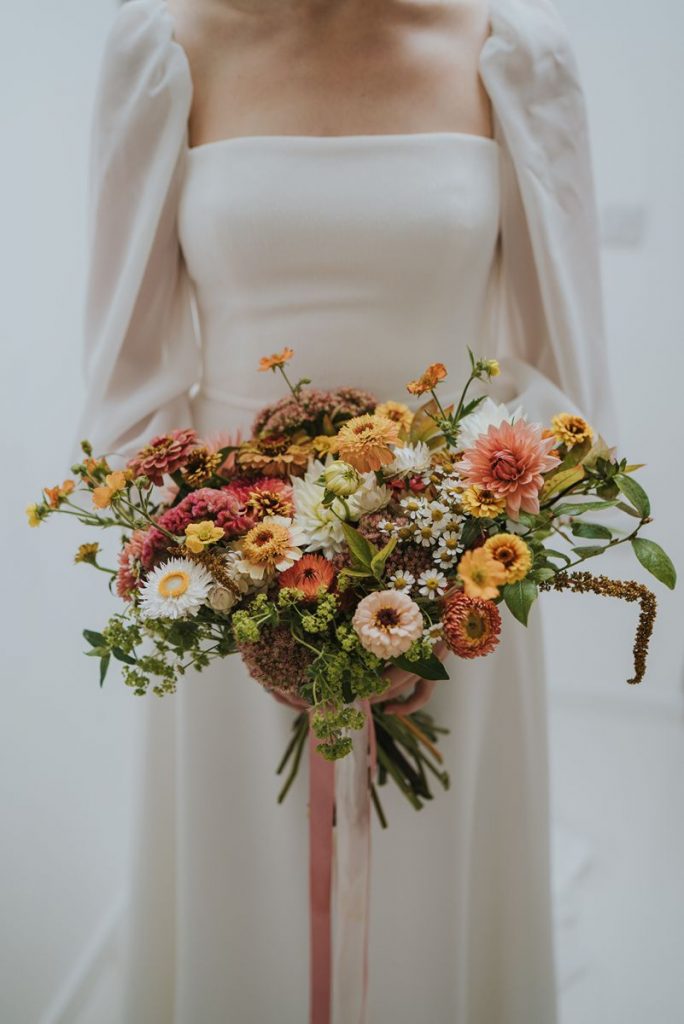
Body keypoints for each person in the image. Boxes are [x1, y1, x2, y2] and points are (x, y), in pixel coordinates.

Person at [75, 0, 617, 1020]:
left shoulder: (514, 55)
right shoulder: (165, 50)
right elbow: (125, 391)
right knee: (244, 898)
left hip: (455, 595)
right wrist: (239, 582)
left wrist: (444, 564)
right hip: (228, 594)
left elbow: (563, 378)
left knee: (433, 903)